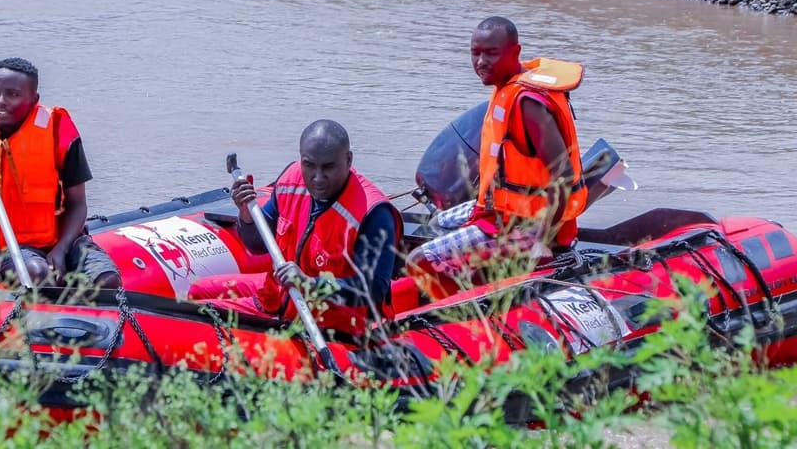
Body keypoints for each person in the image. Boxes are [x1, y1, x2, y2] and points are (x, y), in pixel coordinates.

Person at [407, 17, 587, 299]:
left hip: (529, 224)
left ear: (514, 53)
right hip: (503, 213)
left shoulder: (528, 104)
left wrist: (540, 239)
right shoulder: (508, 89)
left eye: (491, 53)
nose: (480, 62)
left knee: (418, 259)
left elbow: (562, 174)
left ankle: (458, 310)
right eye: (475, 53)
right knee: (437, 222)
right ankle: (479, 281)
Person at [188, 120, 401, 336]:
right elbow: (258, 245)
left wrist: (309, 283)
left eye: (328, 167)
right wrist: (246, 215)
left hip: (329, 325)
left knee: (200, 319)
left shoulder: (373, 213)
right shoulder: (291, 181)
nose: (317, 178)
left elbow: (373, 290)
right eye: (309, 165)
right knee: (198, 291)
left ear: (348, 160)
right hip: (276, 298)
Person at [0, 57, 121, 289]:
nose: (0, 102)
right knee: (38, 273)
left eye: (13, 94)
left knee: (108, 280)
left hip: (59, 241)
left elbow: (78, 205)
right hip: (5, 249)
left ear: (34, 99)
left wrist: (62, 248)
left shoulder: (59, 131)